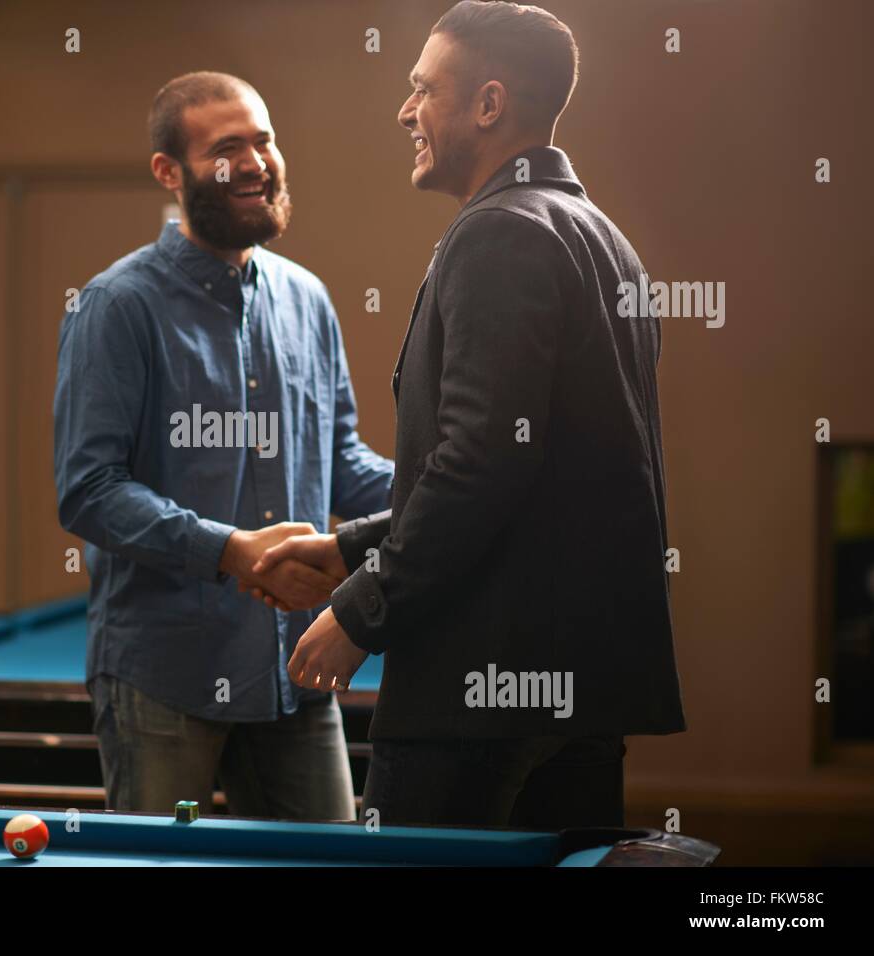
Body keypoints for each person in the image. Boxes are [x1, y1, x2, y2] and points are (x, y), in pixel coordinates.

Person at [255, 1, 686, 829]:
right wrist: (348, 548)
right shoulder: (603, 238)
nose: (406, 111)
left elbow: (480, 464)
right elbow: (537, 478)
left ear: (489, 105)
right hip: (577, 696)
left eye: (424, 90)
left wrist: (361, 612)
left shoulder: (499, 234)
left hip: (478, 696)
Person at [53, 72, 393, 821]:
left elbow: (341, 461)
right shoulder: (115, 306)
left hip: (296, 673)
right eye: (226, 148)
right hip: (162, 678)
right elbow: (88, 489)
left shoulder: (307, 298)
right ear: (168, 173)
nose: (256, 162)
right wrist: (227, 549)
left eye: (264, 139)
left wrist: (448, 491)